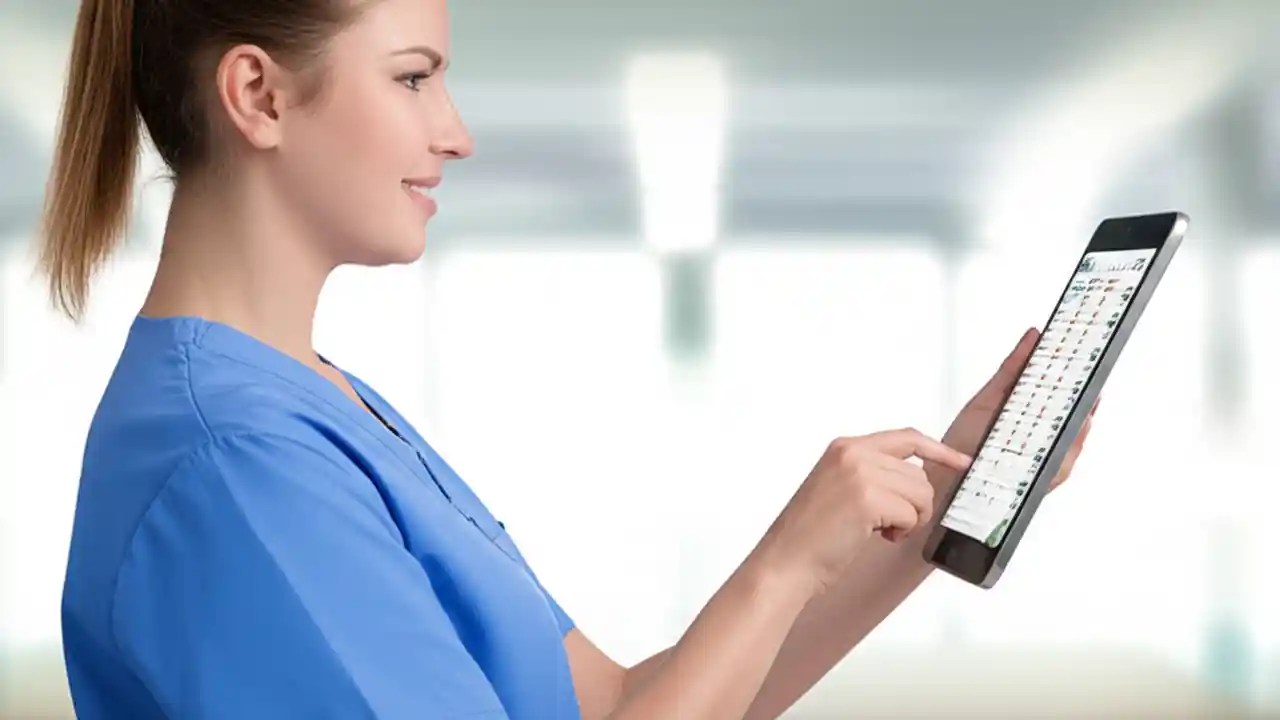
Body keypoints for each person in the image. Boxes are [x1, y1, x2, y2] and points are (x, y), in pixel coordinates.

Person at [43, 0, 1097, 718]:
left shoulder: (323, 409)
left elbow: (625, 702)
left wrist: (938, 503)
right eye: (412, 79)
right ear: (259, 97)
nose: (454, 132)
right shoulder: (235, 466)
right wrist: (781, 561)